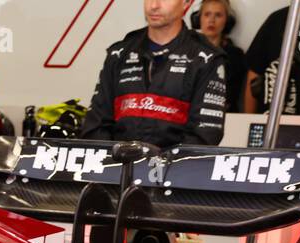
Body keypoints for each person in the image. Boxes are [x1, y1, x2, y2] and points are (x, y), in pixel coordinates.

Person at [80, 0, 226, 148]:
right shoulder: (119, 54)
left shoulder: (206, 59)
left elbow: (205, 134)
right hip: (118, 166)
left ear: (186, 3)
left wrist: (160, 165)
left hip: (176, 168)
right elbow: (95, 125)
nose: (154, 6)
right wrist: (113, 163)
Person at [194, 0, 246, 115]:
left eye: (218, 15)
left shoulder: (235, 56)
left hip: (225, 116)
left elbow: (230, 95)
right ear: (199, 19)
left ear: (227, 21)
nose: (211, 20)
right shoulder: (187, 52)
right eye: (207, 14)